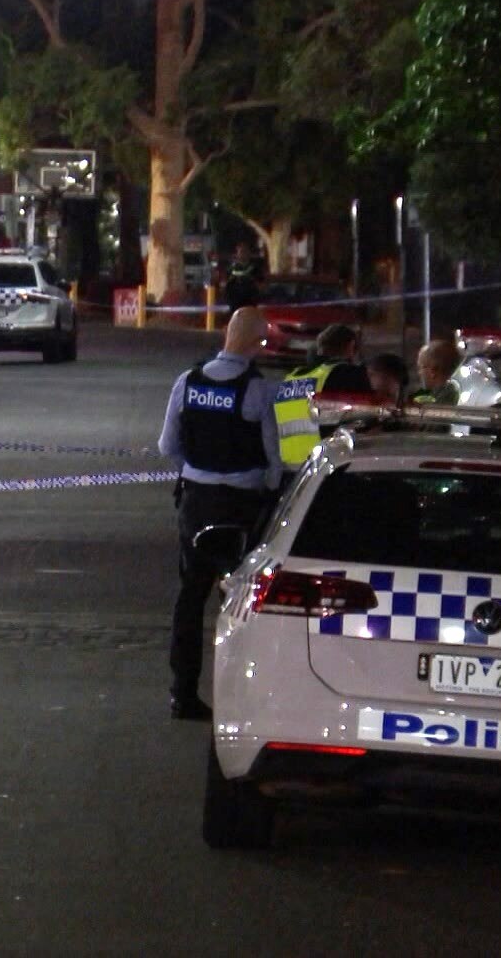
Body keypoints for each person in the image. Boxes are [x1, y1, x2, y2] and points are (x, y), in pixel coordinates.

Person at [158, 305, 281, 721]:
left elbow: (167, 447)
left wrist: (196, 472)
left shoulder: (187, 382)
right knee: (248, 602)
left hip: (196, 501)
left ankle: (182, 693)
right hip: (243, 508)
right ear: (255, 344)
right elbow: (273, 459)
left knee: (190, 598)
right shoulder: (258, 390)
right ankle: (247, 700)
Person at [272, 323, 374, 470]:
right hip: (328, 468)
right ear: (351, 346)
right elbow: (368, 415)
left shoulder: (290, 379)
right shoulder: (346, 374)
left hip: (292, 471)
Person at [410, 339, 460, 404]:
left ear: (433, 370)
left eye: (421, 368)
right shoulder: (432, 393)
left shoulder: (447, 393)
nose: (419, 373)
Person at [221, 241, 261, 313]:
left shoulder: (255, 268)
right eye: (241, 252)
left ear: (249, 253)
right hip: (235, 303)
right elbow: (225, 284)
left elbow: (260, 284)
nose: (243, 254)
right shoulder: (231, 269)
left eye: (245, 251)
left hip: (250, 302)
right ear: (237, 254)